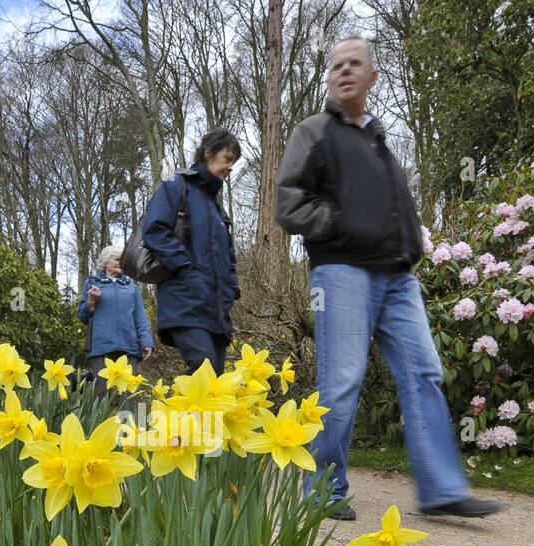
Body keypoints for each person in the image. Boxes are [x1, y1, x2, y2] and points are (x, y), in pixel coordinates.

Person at [275, 36, 504, 521]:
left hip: (397, 278)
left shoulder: (378, 140)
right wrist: (340, 224)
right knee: (340, 381)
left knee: (424, 373)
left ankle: (441, 489)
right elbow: (288, 202)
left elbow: (395, 208)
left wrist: (412, 244)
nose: (343, 71)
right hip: (340, 272)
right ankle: (322, 489)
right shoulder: (313, 131)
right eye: (336, 65)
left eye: (354, 64)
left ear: (372, 77)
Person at [141, 129, 241, 374]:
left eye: (234, 162)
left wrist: (231, 291)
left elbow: (228, 260)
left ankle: (173, 413)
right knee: (203, 371)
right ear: (208, 153)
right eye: (227, 159)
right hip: (184, 303)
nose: (230, 167)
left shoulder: (216, 209)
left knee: (214, 382)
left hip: (215, 311)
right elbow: (154, 230)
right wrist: (186, 269)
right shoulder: (177, 186)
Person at [78, 244, 153, 396]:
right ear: (105, 262)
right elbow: (82, 316)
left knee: (129, 393)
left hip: (129, 346)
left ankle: (129, 420)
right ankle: (101, 419)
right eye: (116, 259)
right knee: (100, 393)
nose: (120, 263)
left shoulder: (132, 288)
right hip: (100, 347)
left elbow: (140, 318)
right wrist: (91, 302)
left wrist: (146, 342)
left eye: (123, 260)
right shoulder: (92, 284)